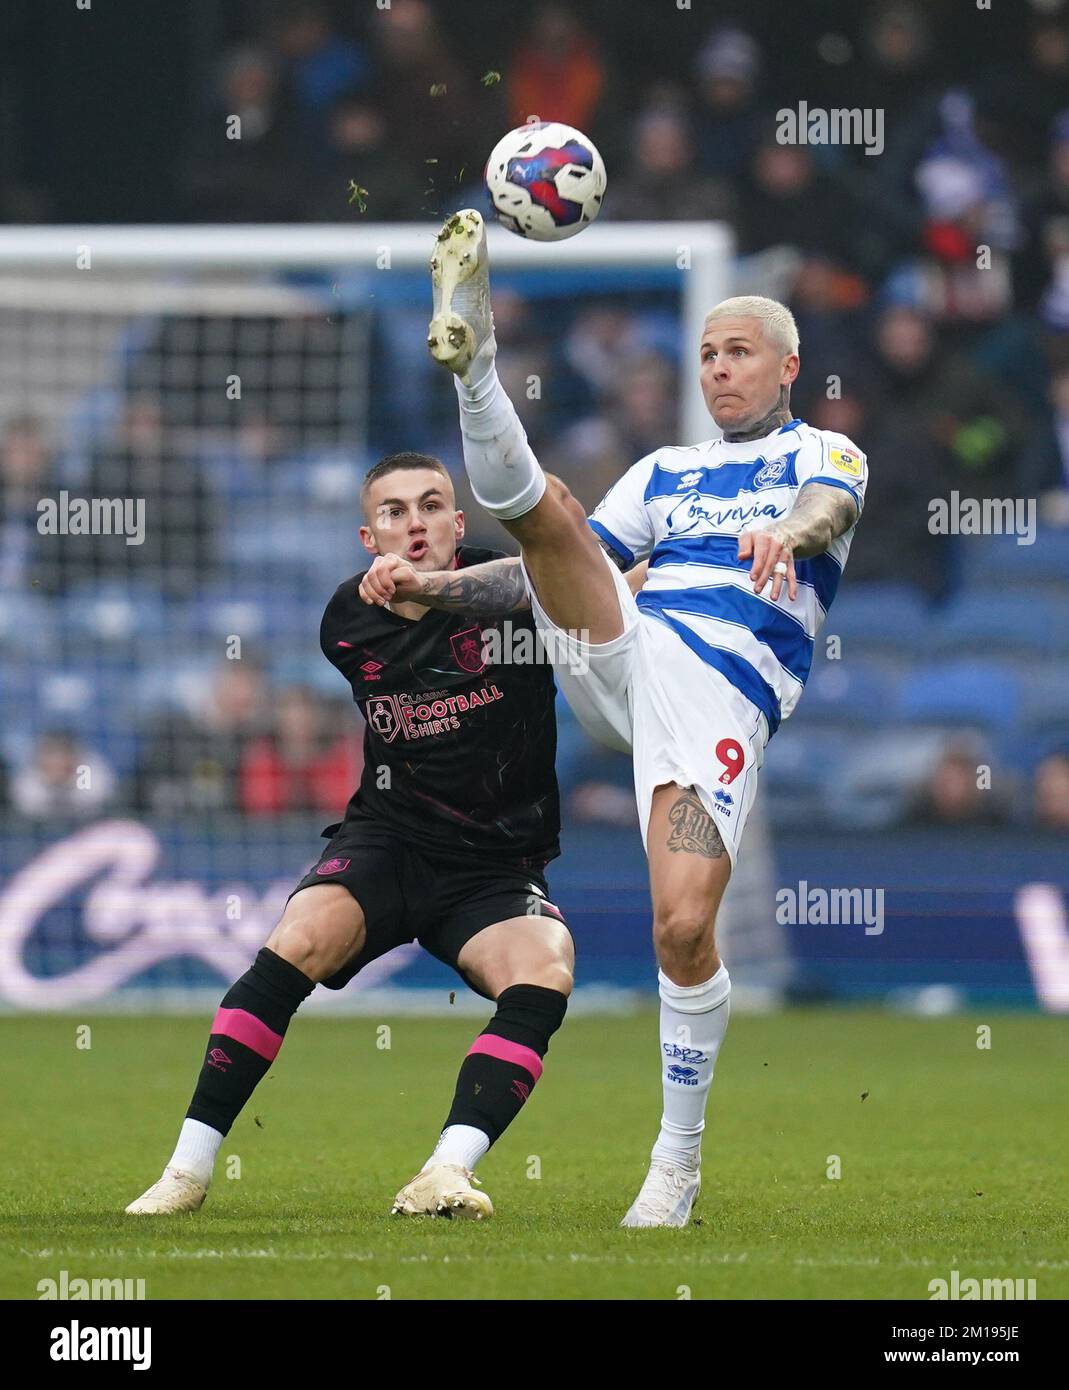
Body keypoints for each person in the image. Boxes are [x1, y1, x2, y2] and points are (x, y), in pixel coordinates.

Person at [426, 209, 867, 1227]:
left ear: (787, 366)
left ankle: (675, 1163)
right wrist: (427, 589)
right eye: (707, 352)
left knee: (680, 927)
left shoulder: (824, 456)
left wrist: (783, 534)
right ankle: (477, 364)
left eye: (739, 352)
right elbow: (551, 573)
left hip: (710, 702)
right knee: (553, 522)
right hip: (622, 649)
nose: (718, 369)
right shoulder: (663, 470)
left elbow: (828, 514)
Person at [125, 453, 580, 1221]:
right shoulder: (347, 621)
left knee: (546, 970)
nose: (415, 524)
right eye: (395, 513)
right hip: (389, 842)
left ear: (458, 526)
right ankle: (186, 1172)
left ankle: (444, 1170)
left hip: (494, 866)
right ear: (370, 537)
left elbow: (562, 579)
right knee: (297, 939)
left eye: (432, 506)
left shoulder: (517, 598)